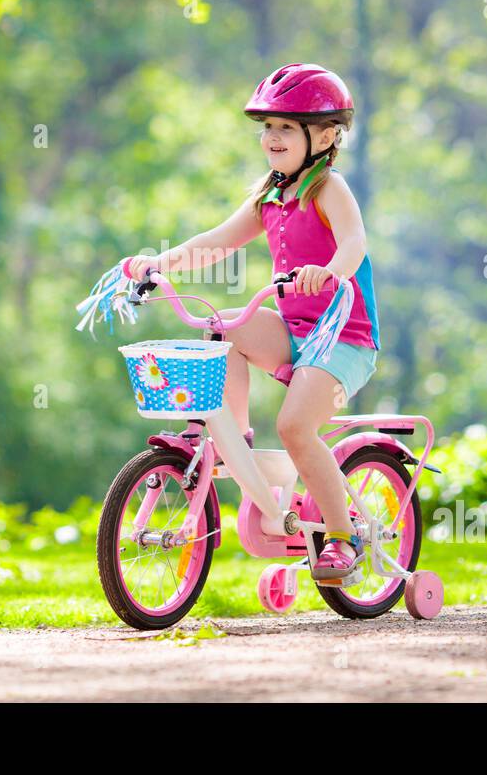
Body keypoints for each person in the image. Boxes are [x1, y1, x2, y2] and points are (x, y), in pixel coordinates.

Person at [127, 62, 381, 580]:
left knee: (294, 427)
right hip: (295, 333)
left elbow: (355, 240)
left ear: (326, 135)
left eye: (287, 127)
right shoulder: (270, 196)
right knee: (225, 326)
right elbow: (216, 242)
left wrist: (331, 273)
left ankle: (343, 539)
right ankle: (235, 440)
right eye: (268, 127)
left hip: (343, 337)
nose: (272, 137)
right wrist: (158, 263)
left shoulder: (328, 188)